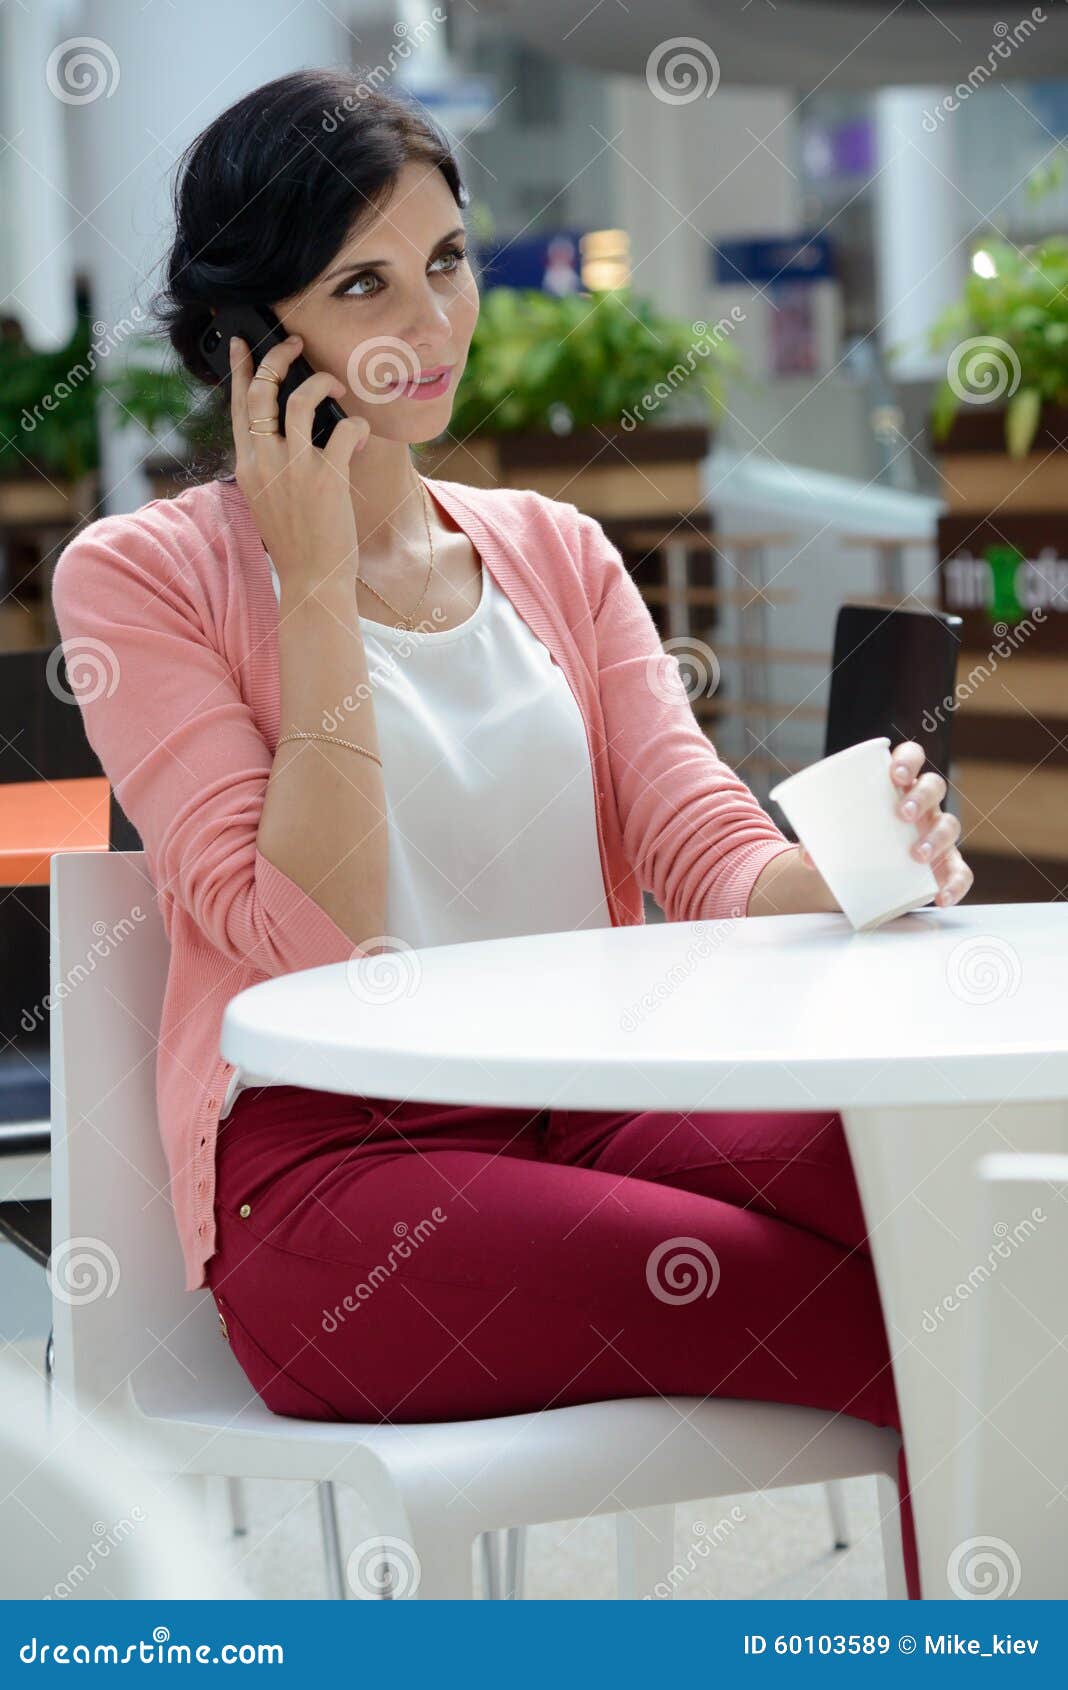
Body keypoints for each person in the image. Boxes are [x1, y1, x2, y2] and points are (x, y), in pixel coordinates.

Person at [51, 69, 972, 1600]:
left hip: (591, 1108)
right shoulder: (138, 578)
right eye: (363, 285)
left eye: (448, 261)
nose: (430, 320)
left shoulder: (558, 547)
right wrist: (317, 577)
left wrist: (862, 870)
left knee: (956, 1207)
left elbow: (698, 847)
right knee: (918, 1325)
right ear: (251, 339)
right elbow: (304, 920)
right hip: (338, 1185)